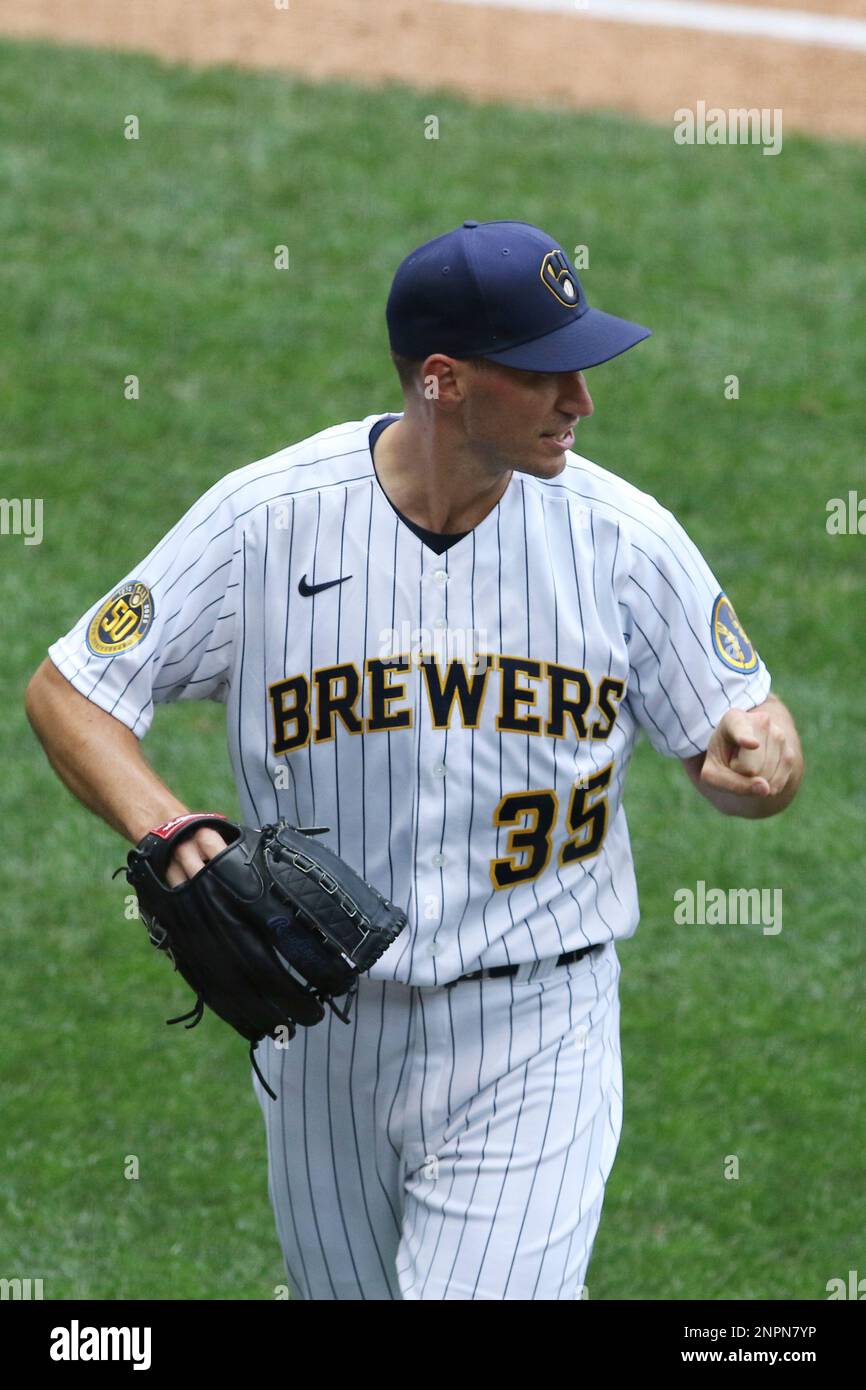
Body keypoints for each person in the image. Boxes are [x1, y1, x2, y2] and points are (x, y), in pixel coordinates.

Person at [26, 219, 803, 1300]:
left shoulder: (622, 541)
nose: (579, 400)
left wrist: (758, 765)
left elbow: (747, 732)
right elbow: (73, 691)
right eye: (543, 374)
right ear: (443, 380)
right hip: (321, 1030)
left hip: (537, 1025)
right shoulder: (267, 524)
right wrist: (166, 823)